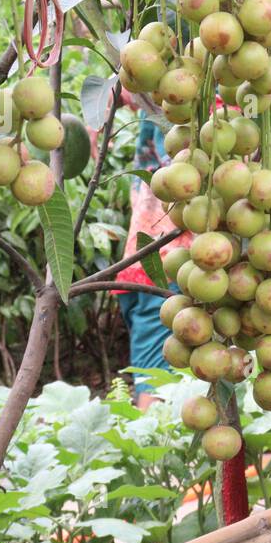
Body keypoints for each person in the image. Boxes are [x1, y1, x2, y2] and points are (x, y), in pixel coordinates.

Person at [114, 106, 189, 409]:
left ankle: (155, 444)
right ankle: (154, 448)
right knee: (159, 363)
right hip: (168, 252)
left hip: (167, 249)